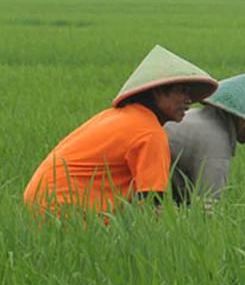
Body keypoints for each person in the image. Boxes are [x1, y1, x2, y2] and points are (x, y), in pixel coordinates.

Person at [23, 45, 218, 214]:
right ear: (158, 90)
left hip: (42, 203)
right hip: (67, 212)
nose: (189, 101)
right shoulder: (150, 134)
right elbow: (151, 209)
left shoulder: (116, 116)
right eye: (182, 91)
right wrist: (194, 215)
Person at [164, 69, 245, 208]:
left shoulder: (194, 118)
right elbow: (209, 207)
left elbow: (183, 197)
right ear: (243, 120)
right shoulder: (216, 143)